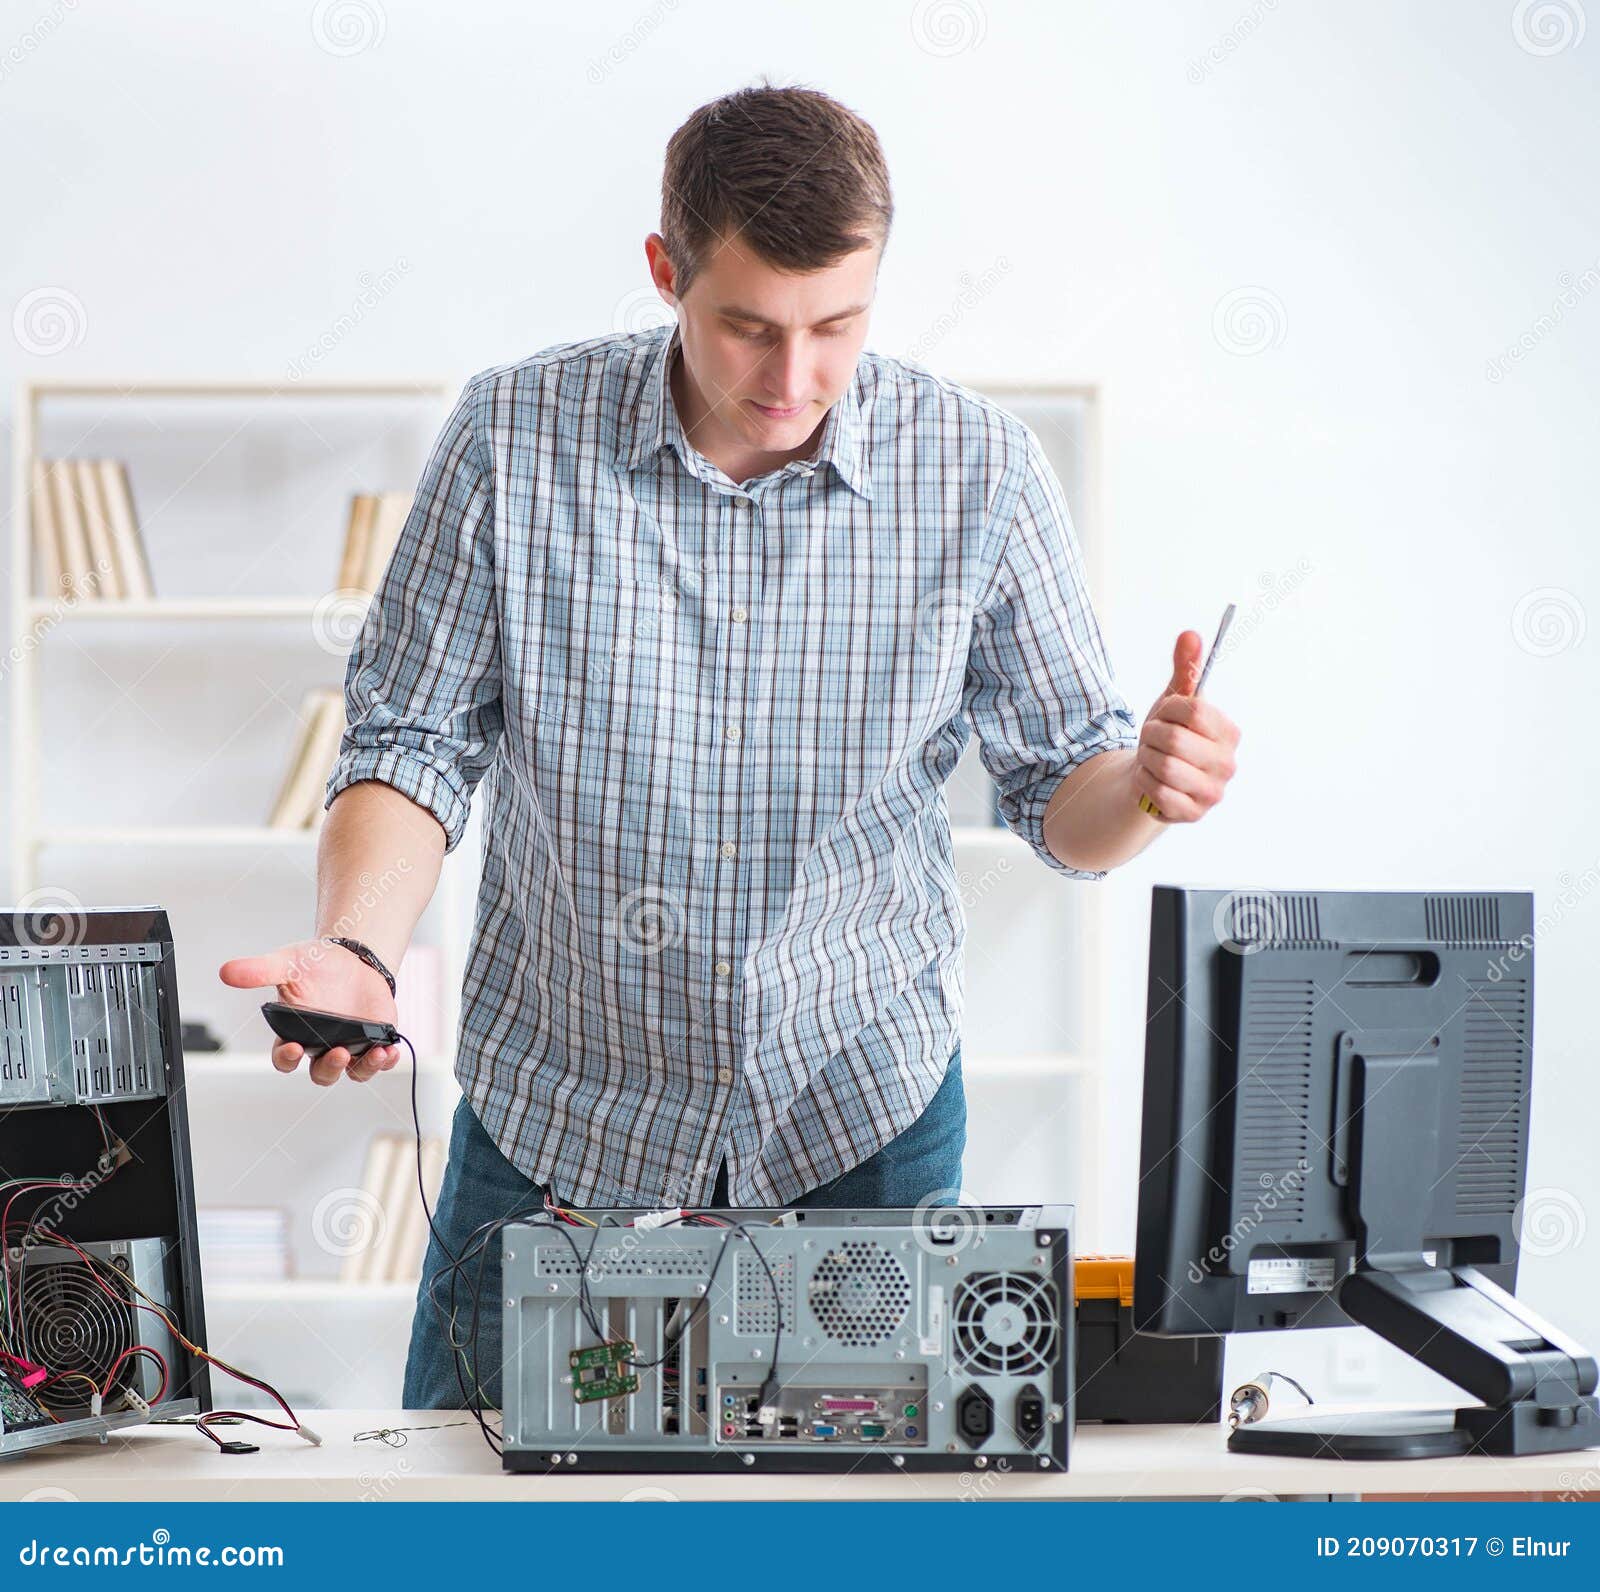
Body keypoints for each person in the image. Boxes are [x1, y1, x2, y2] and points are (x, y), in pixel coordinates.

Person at [219, 83, 1240, 1410]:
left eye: (837, 328)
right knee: (469, 1517)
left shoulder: (981, 471)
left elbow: (1064, 803)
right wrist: (357, 945)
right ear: (667, 273)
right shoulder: (512, 438)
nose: (795, 379)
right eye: (750, 327)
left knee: (862, 1538)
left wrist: (1147, 791)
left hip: (860, 1115)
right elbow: (413, 743)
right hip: (561, 1121)